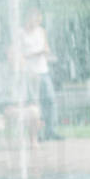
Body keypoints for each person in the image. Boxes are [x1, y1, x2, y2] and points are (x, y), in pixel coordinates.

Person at [22, 8, 60, 140]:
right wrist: (36, 53)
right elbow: (18, 54)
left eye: (39, 20)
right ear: (29, 18)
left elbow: (46, 47)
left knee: (50, 100)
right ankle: (36, 134)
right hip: (28, 72)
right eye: (36, 20)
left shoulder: (41, 31)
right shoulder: (21, 33)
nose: (37, 23)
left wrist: (45, 52)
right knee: (34, 103)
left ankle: (50, 130)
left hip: (43, 71)